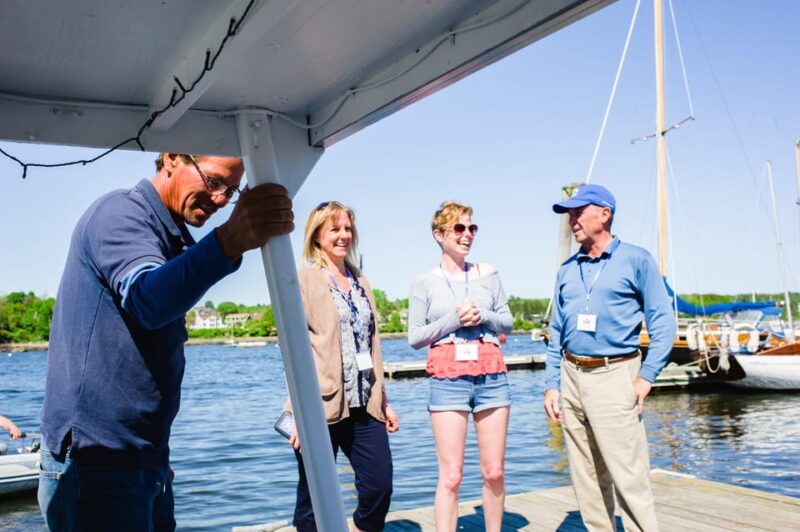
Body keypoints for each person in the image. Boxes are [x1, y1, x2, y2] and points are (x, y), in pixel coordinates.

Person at [38, 152, 294, 531]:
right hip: (98, 464)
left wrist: (154, 458)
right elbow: (147, 299)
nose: (222, 199)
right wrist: (229, 240)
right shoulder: (120, 214)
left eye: (231, 189)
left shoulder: (169, 236)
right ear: (172, 158)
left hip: (142, 461)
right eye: (214, 182)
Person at [543, 184, 676, 532]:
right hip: (571, 376)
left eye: (577, 211)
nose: (572, 220)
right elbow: (557, 330)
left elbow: (663, 321)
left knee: (628, 476)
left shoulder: (636, 259)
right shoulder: (567, 269)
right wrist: (551, 384)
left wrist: (646, 376)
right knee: (586, 477)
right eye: (569, 214)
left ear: (604, 213)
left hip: (616, 375)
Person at [286, 201, 399, 532]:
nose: (343, 235)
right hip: (320, 407)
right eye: (335, 229)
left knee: (379, 486)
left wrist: (385, 400)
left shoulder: (362, 280)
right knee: (313, 497)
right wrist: (295, 414)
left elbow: (372, 344)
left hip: (366, 404)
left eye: (347, 228)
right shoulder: (303, 280)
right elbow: (293, 352)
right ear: (318, 235)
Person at [408, 201, 513, 532]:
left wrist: (484, 316)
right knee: (451, 475)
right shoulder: (424, 282)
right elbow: (415, 337)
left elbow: (508, 323)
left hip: (492, 378)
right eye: (459, 228)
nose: (467, 234)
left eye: (472, 228)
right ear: (439, 235)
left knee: (493, 470)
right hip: (447, 381)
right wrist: (453, 320)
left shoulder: (489, 274)